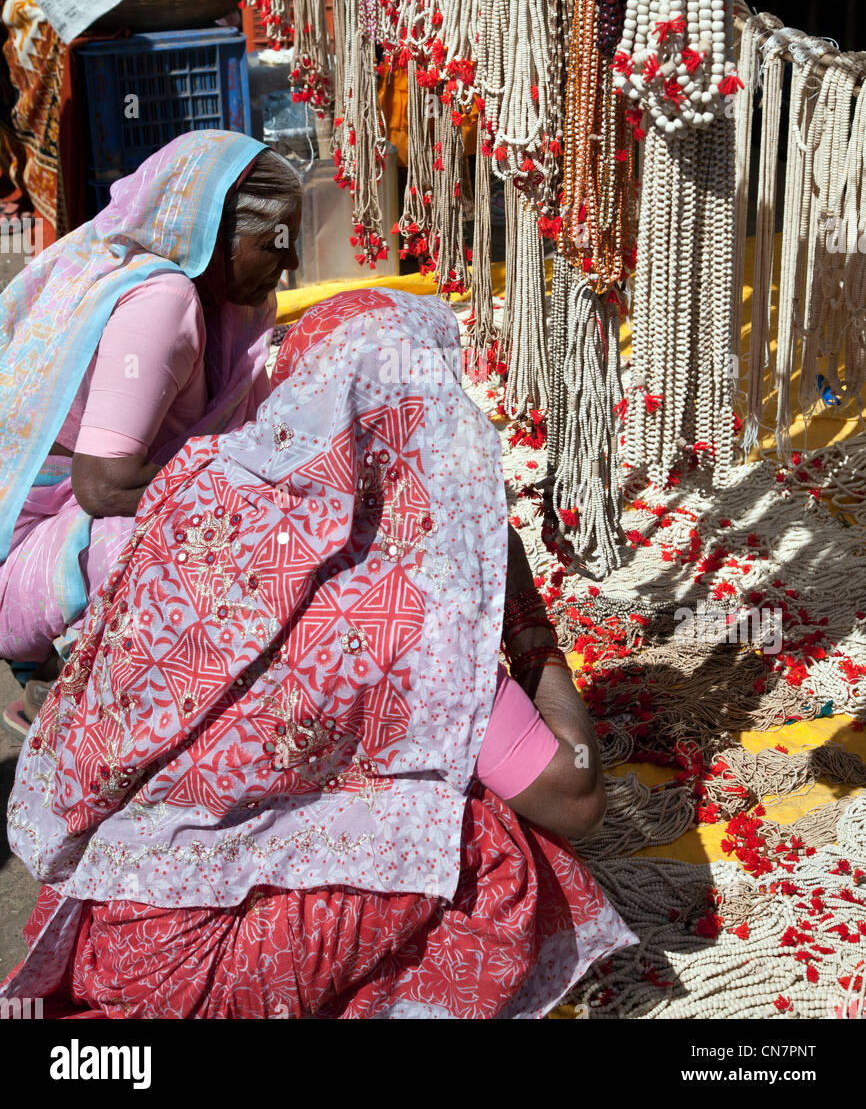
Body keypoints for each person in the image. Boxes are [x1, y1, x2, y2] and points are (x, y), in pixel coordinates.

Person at [1, 288, 634, 1018]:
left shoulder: (190, 498)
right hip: (201, 981)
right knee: (495, 846)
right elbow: (575, 798)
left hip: (102, 931)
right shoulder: (409, 610)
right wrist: (517, 603)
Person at [0, 129, 301, 737]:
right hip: (36, 562)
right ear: (215, 235)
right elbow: (105, 488)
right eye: (275, 242)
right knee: (176, 525)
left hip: (56, 531)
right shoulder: (162, 302)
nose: (291, 261)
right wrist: (253, 488)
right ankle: (76, 683)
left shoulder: (203, 294)